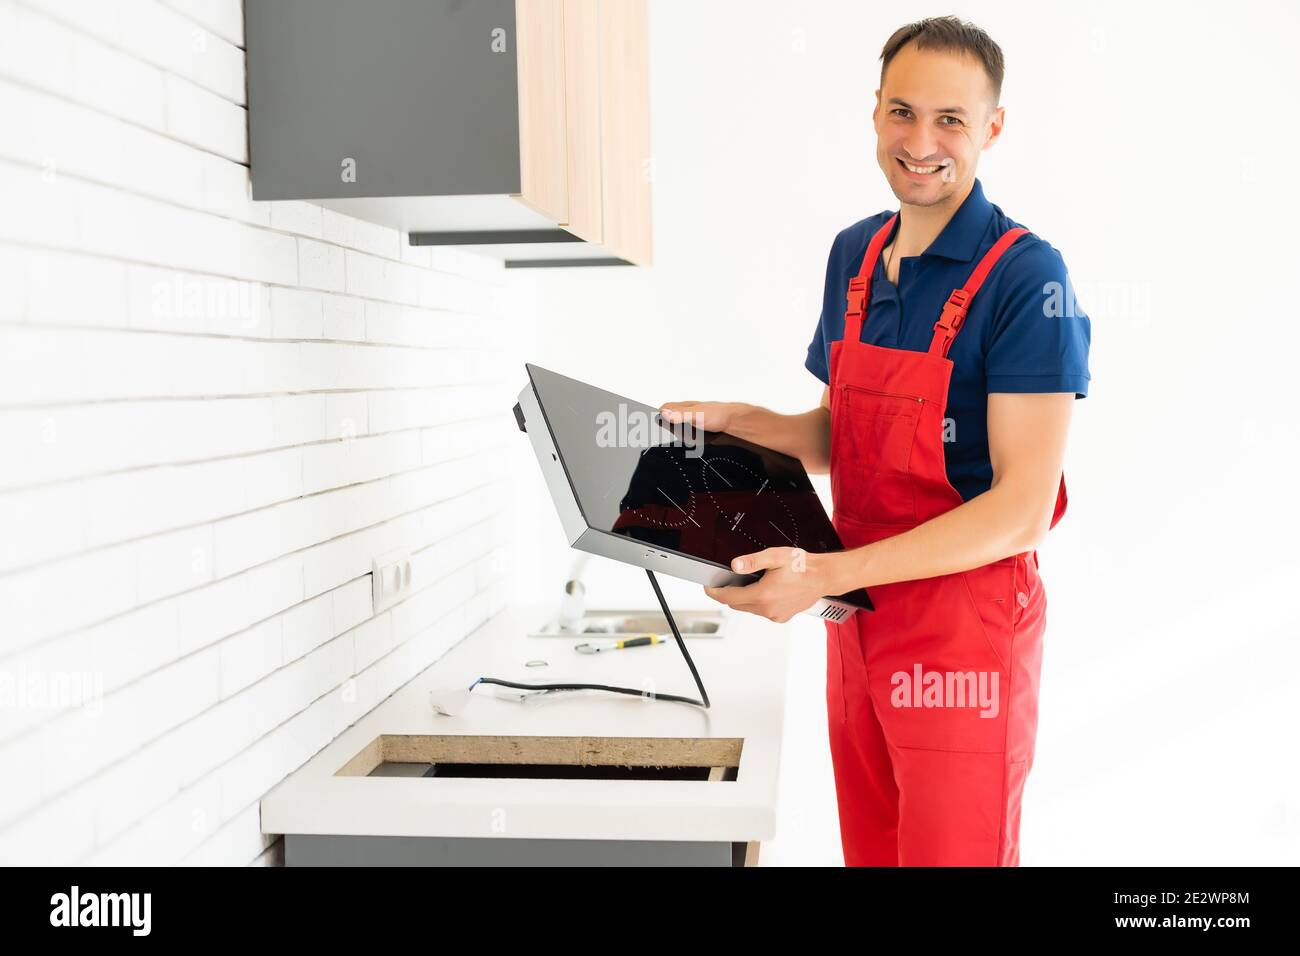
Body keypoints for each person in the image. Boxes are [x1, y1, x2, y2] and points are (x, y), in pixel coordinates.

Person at [660, 16, 1091, 867]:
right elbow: (841, 435)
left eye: (951, 120)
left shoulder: (1028, 279)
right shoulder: (854, 256)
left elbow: (1021, 511)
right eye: (902, 112)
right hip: (855, 625)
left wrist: (826, 574)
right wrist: (739, 423)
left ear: (992, 129)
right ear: (874, 114)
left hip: (962, 642)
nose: (921, 141)